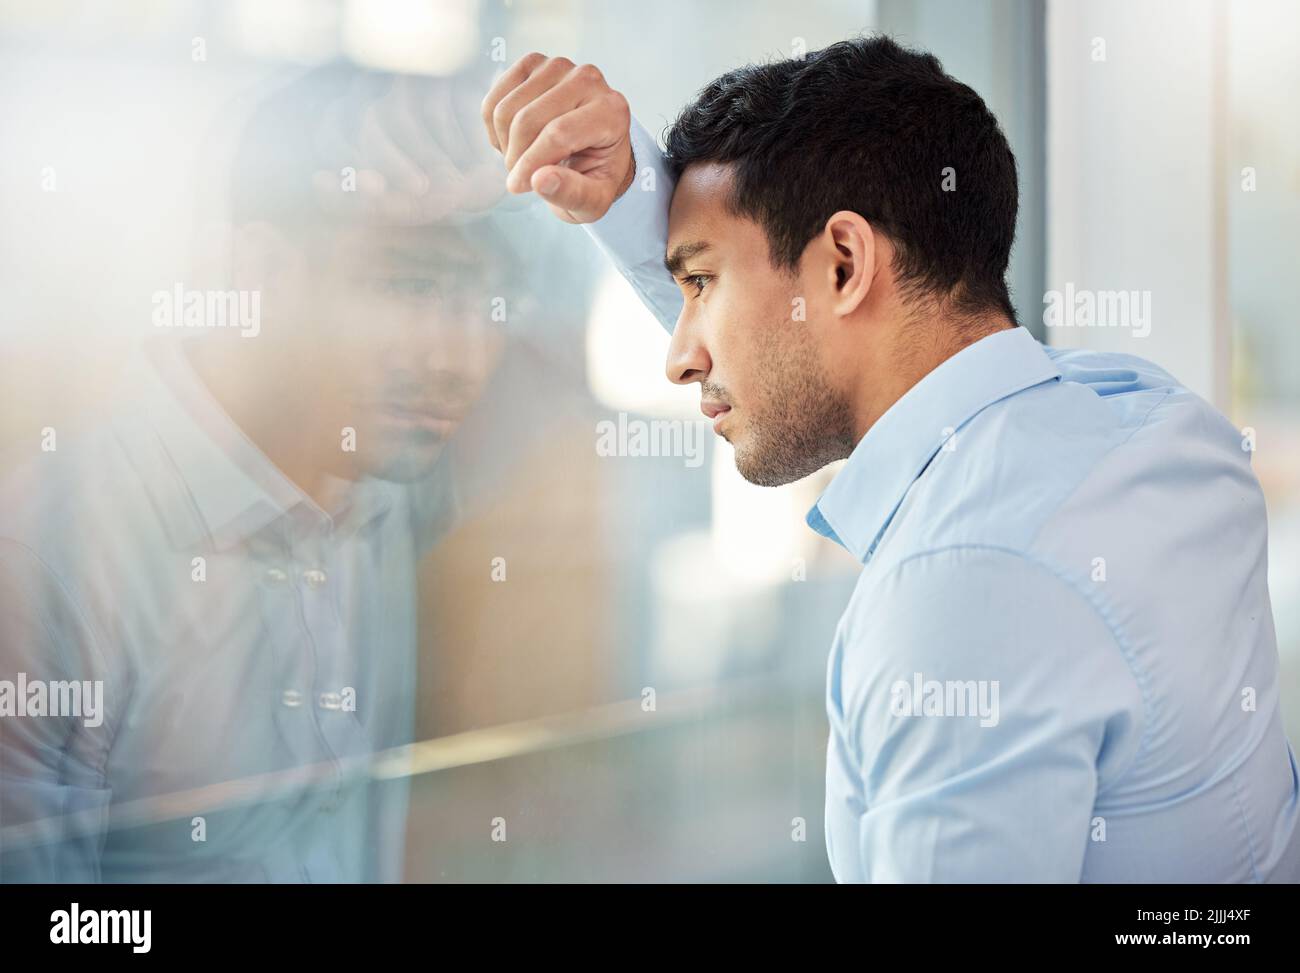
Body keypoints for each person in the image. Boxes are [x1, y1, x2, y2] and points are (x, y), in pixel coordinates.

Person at [481, 35, 1300, 882]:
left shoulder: (962, 592)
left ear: (844, 264)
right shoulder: (1154, 423)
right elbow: (775, 340)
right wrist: (633, 200)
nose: (679, 357)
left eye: (700, 283)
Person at [0, 64, 540, 883]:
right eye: (409, 286)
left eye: (490, 298)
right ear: (264, 273)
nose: (462, 358)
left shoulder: (382, 483)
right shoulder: (53, 553)